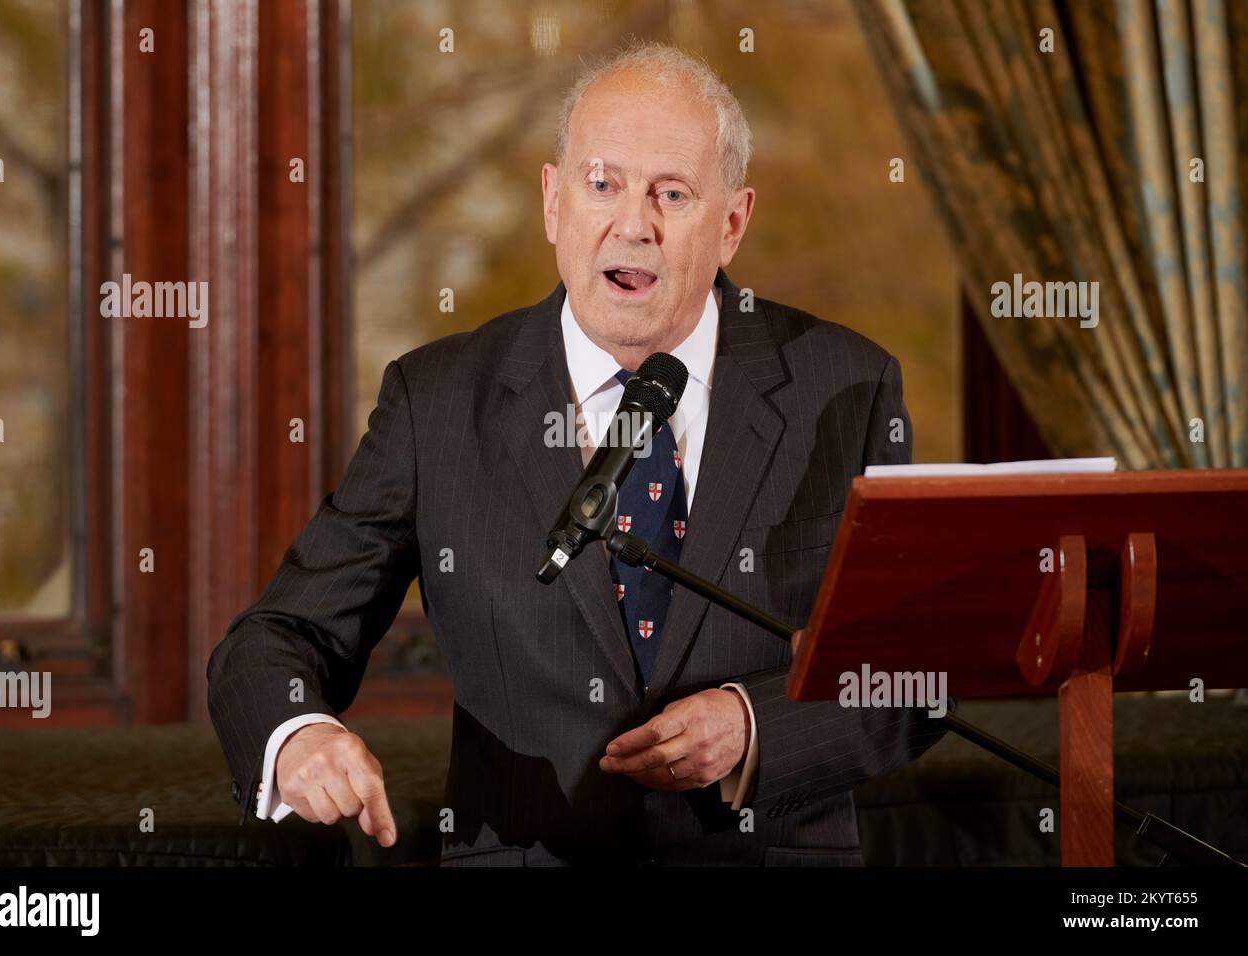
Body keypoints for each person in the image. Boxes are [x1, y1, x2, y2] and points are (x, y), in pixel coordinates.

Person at [207, 40, 947, 866]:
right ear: (555, 202)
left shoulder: (843, 387)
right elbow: (277, 636)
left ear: (733, 223)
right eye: (603, 185)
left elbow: (919, 670)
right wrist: (299, 736)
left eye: (672, 193)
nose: (633, 225)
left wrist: (754, 725)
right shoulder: (439, 402)